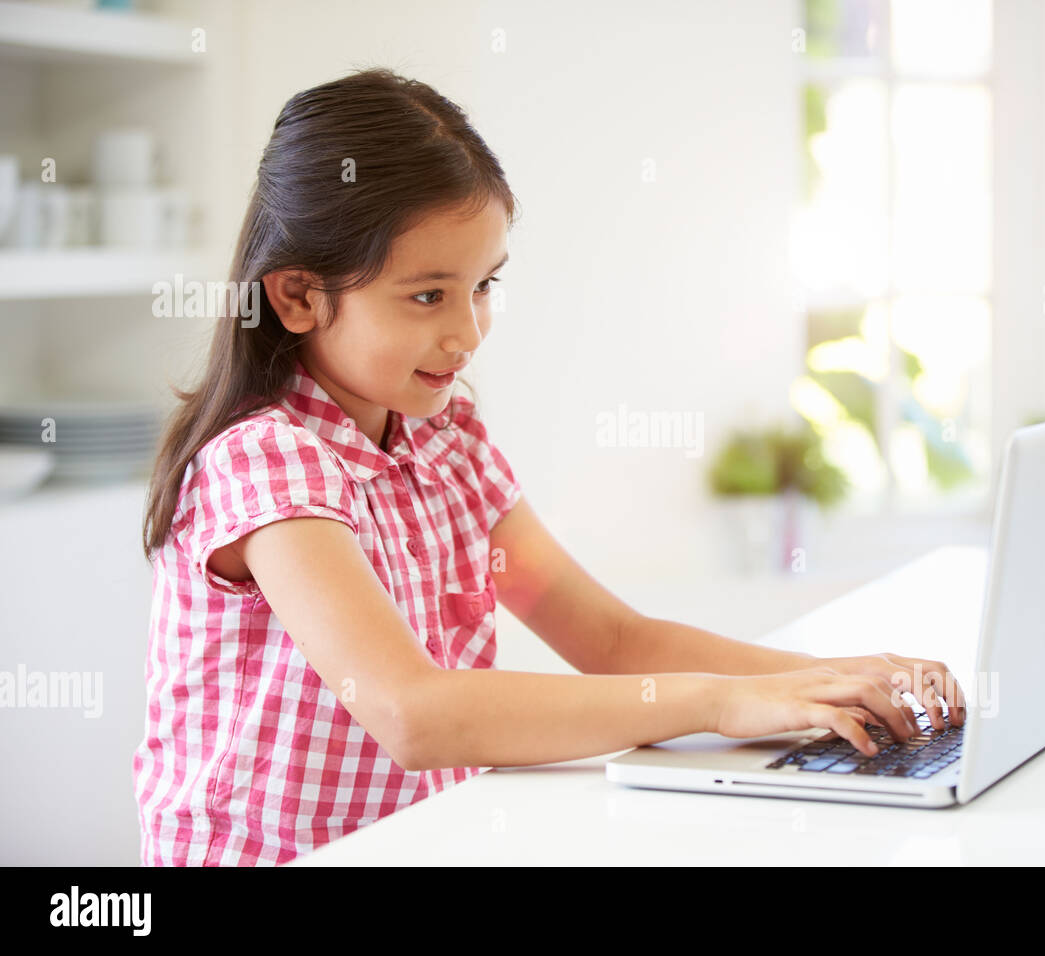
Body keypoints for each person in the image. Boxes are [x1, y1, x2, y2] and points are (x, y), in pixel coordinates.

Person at [133, 67, 965, 866]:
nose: (468, 332)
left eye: (483, 286)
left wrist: (832, 679)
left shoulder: (447, 440)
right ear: (298, 297)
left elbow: (613, 640)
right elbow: (412, 713)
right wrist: (720, 702)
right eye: (427, 295)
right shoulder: (265, 459)